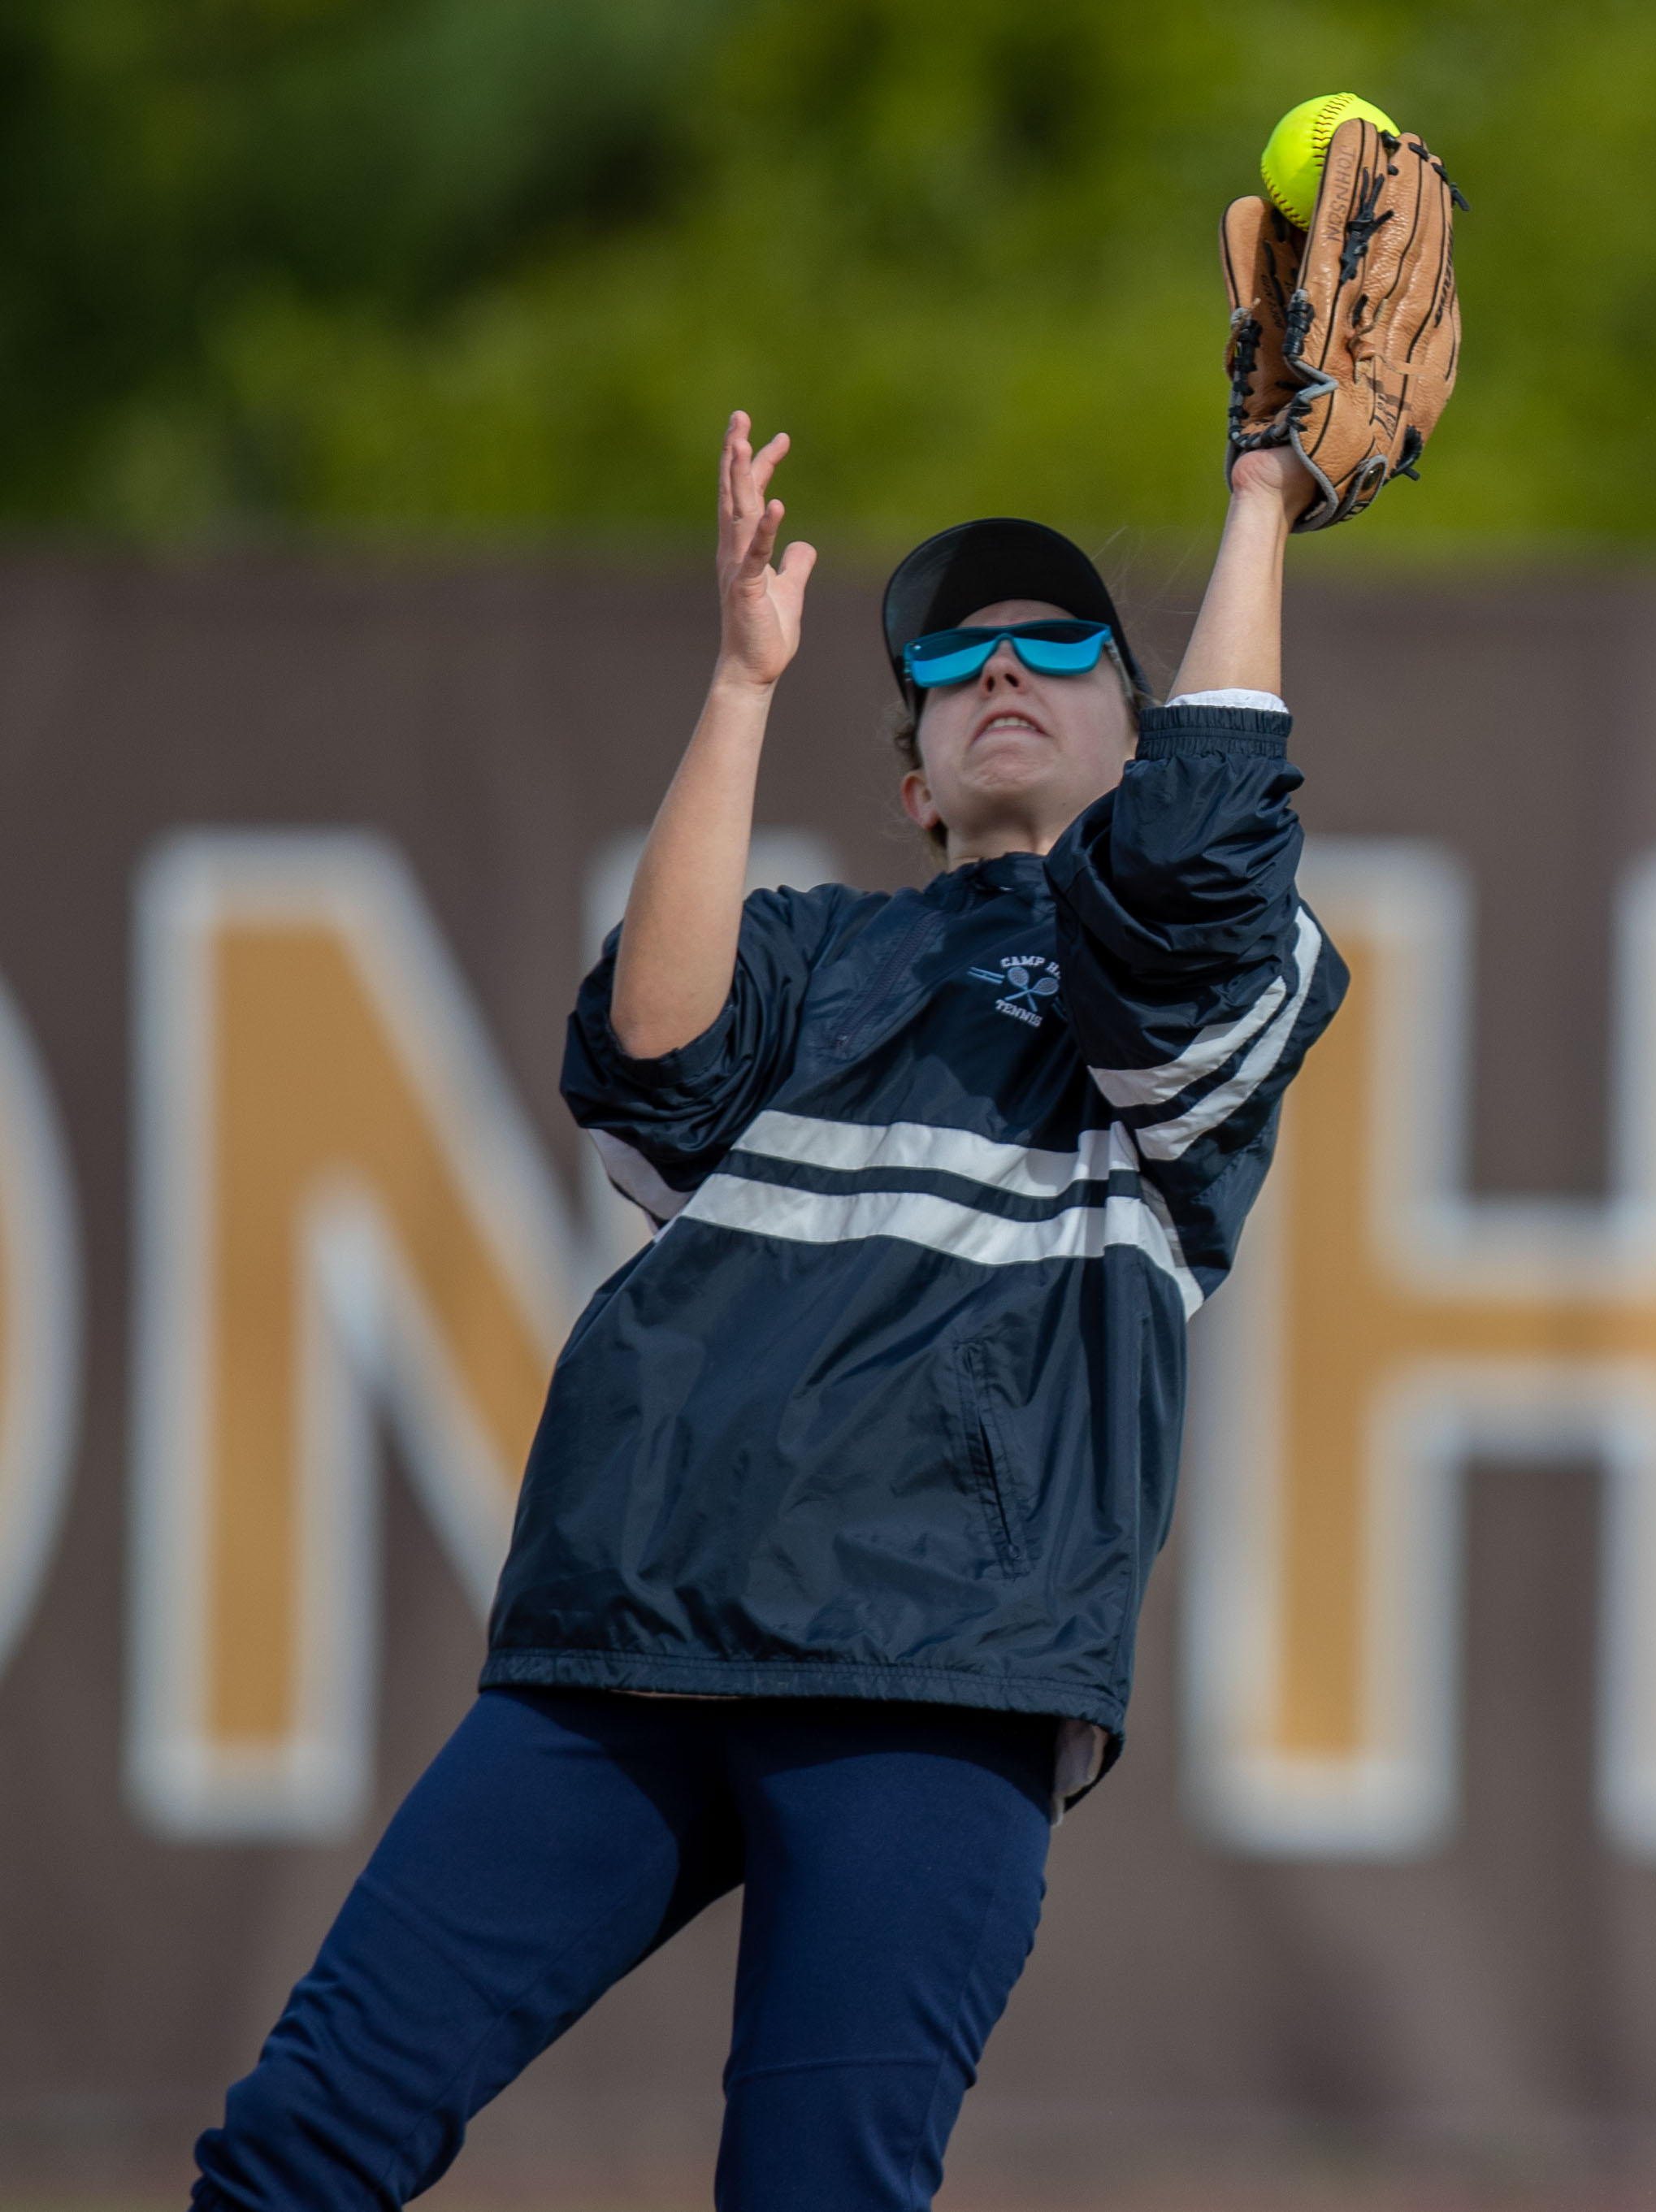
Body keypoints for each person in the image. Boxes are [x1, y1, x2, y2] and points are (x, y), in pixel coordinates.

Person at [189, 415, 1346, 2211]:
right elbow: (647, 1062)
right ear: (914, 781)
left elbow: (1198, 857)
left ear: (1142, 730)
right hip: (625, 1637)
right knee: (301, 2139)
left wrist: (1261, 500)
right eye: (955, 663)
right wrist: (740, 686)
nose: (1005, 672)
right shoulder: (812, 953)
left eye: (1063, 652)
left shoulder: (1215, 969)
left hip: (931, 1676)